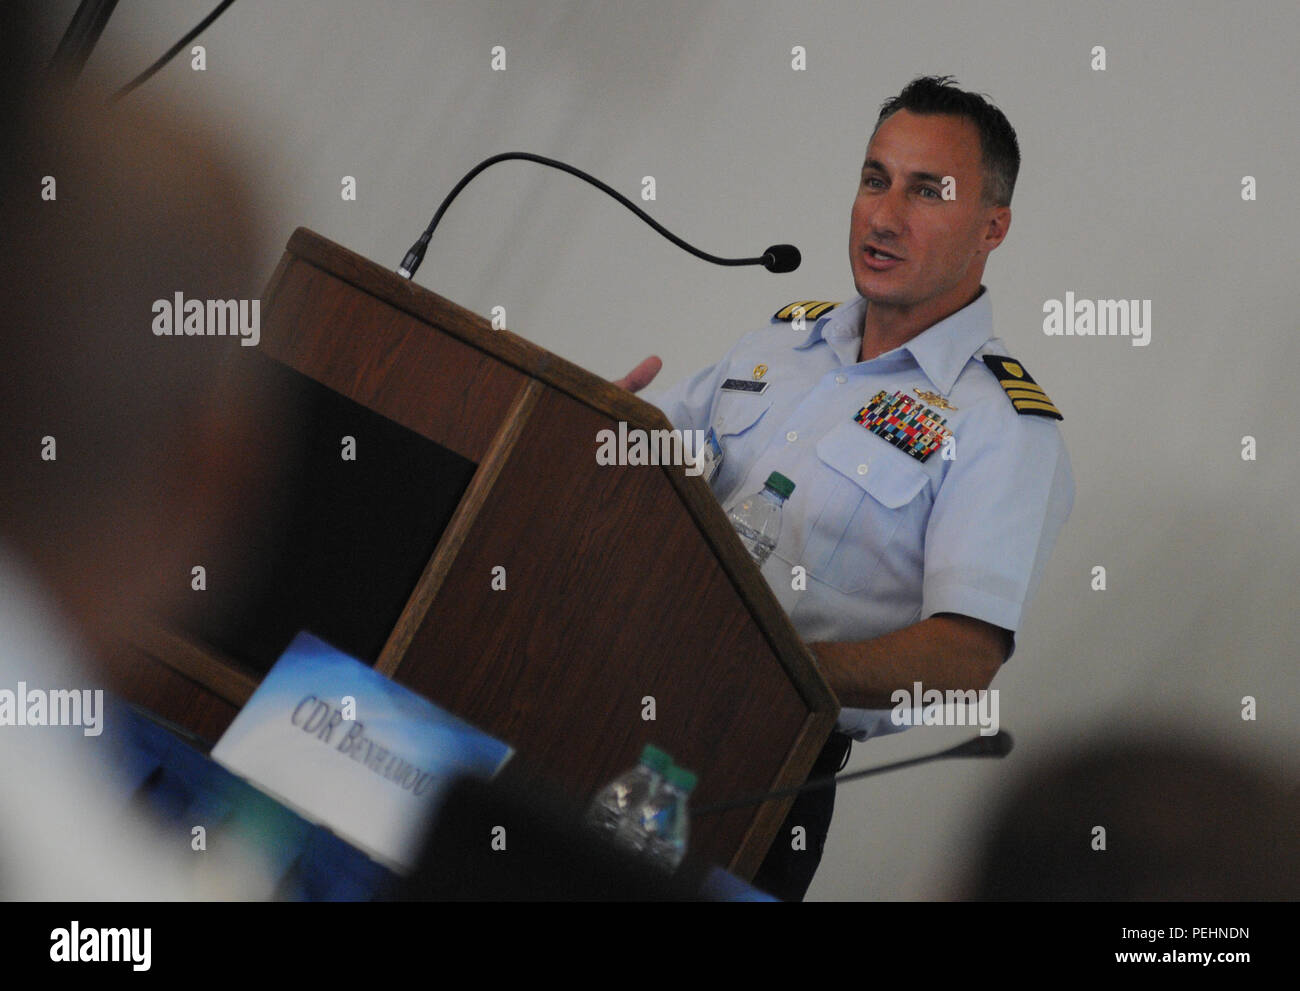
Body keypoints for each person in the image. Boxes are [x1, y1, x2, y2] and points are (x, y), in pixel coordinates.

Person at [614, 76, 1074, 900]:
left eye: (927, 191)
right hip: (612, 692)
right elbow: (644, 466)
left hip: (761, 773)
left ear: (991, 227)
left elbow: (963, 659)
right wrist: (588, 432)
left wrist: (770, 668)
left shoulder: (1001, 424)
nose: (884, 214)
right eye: (874, 179)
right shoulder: (779, 344)